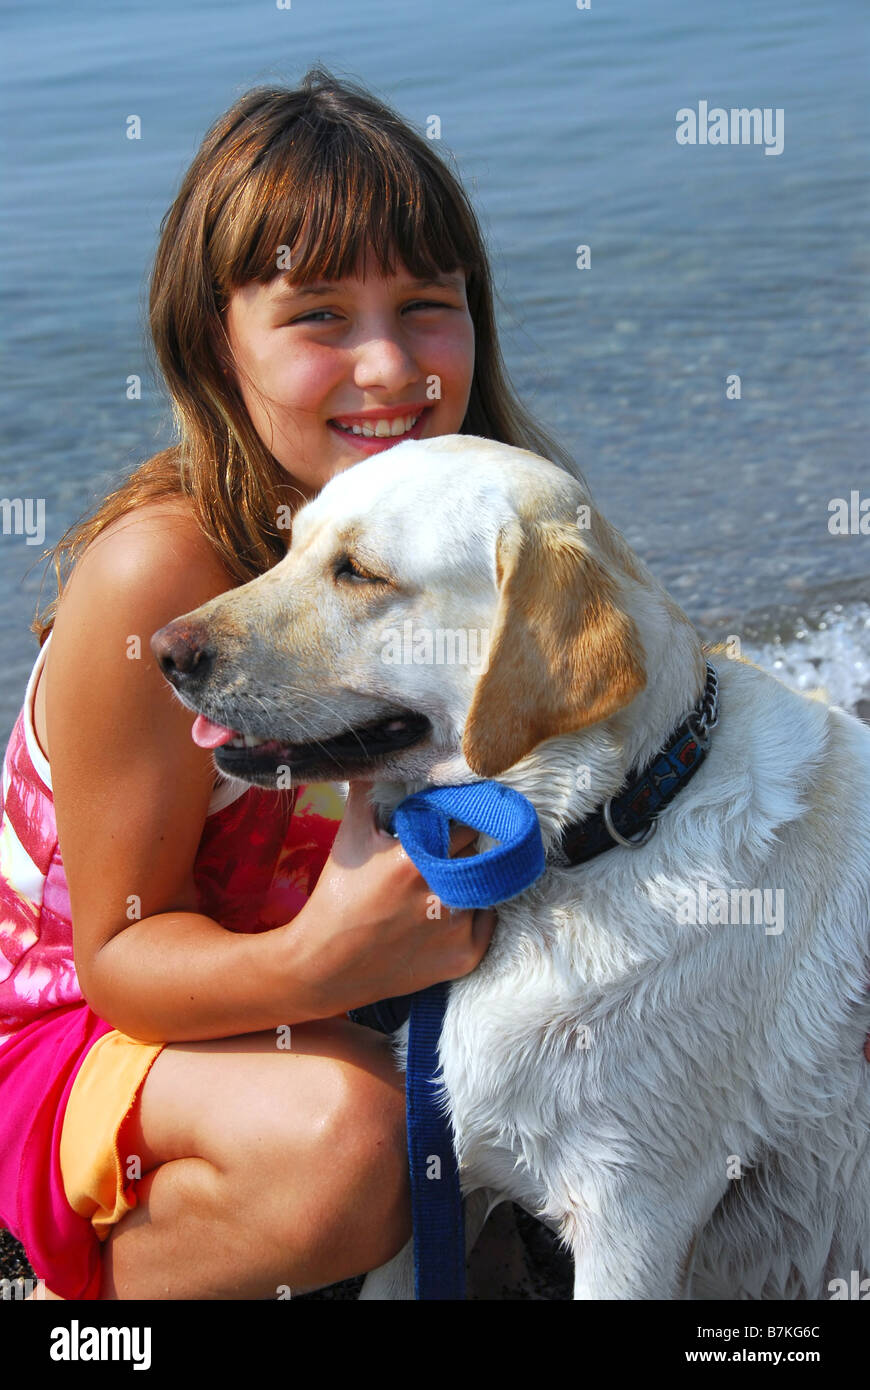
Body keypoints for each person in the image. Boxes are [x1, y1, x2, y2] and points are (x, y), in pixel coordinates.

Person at [0, 67, 582, 1300]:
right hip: (96, 1031)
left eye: (429, 305)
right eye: (318, 315)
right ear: (215, 337)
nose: (388, 366)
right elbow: (116, 958)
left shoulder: (491, 530)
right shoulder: (168, 581)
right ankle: (90, 1298)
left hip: (355, 999)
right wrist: (326, 963)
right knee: (357, 1152)